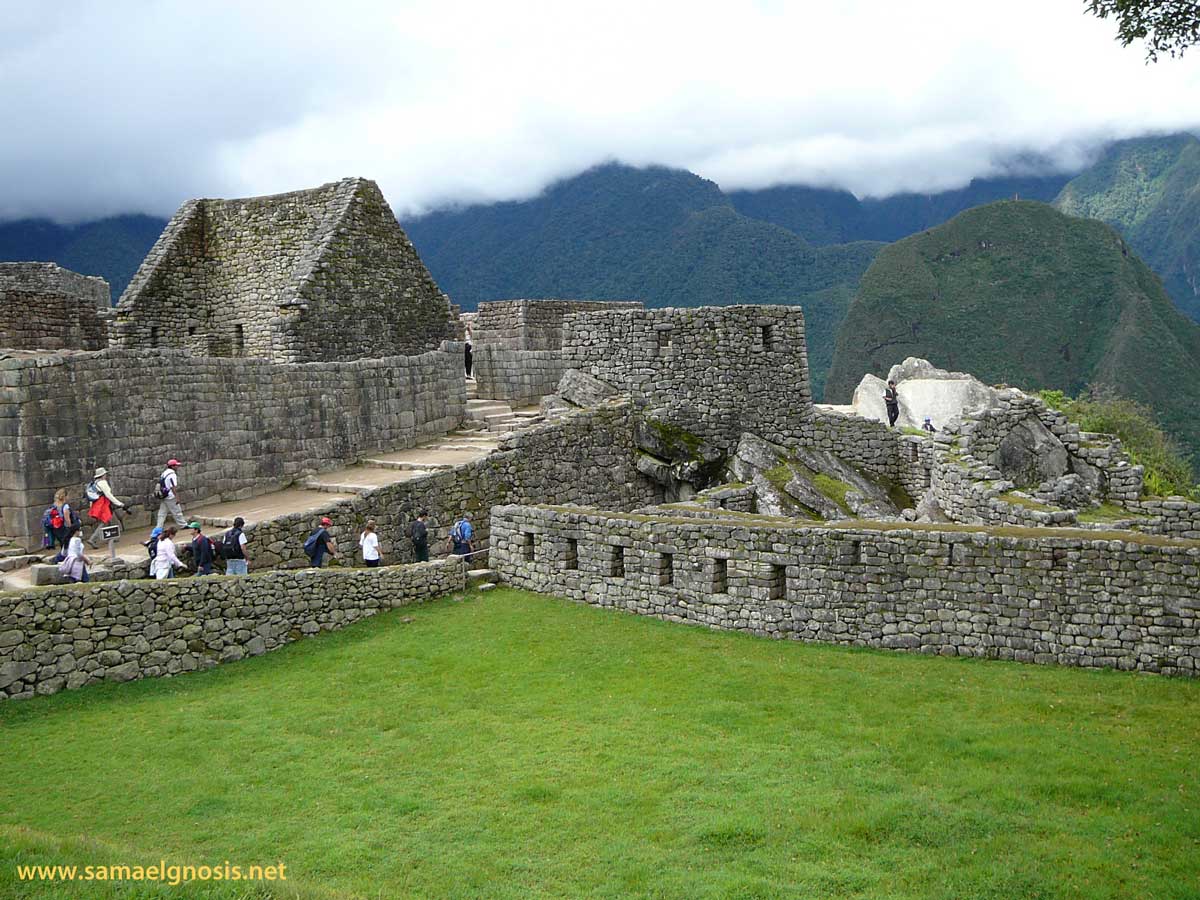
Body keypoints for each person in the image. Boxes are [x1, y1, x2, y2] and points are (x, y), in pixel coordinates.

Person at [86, 466, 127, 549]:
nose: (106, 476)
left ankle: (112, 537)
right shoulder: (103, 483)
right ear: (102, 475)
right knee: (105, 521)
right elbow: (109, 495)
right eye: (105, 474)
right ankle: (93, 539)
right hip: (102, 504)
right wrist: (119, 504)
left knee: (108, 520)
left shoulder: (95, 483)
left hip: (98, 504)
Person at [155, 458, 188, 529]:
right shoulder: (172, 474)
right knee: (177, 511)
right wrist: (177, 497)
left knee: (162, 513)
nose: (177, 467)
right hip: (170, 496)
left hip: (164, 495)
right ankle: (183, 525)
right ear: (172, 466)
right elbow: (173, 487)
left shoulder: (164, 473)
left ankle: (158, 527)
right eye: (176, 465)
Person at [51, 489, 77, 561]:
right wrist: (71, 527)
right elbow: (67, 518)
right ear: (65, 496)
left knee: (64, 546)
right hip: (65, 528)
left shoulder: (54, 505)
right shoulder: (65, 506)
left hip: (57, 528)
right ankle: (57, 560)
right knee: (67, 547)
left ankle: (63, 560)